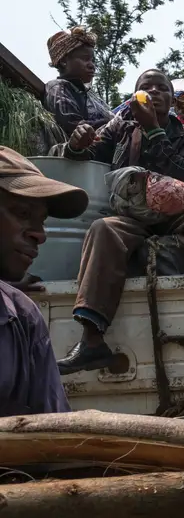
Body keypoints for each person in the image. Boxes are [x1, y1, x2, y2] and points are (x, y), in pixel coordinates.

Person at [56, 69, 184, 375]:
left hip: (178, 215)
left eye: (162, 88)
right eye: (146, 87)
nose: (154, 92)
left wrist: (154, 130)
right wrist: (76, 143)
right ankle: (92, 340)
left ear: (173, 100)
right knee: (103, 228)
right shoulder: (118, 129)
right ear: (134, 96)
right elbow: (85, 156)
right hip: (132, 216)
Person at [0, 147, 86, 415]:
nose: (40, 235)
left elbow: (53, 438)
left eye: (41, 221)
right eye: (22, 213)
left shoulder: (23, 318)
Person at [44, 27, 114, 140]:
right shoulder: (58, 88)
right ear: (63, 61)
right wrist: (111, 123)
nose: (92, 65)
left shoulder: (87, 94)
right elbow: (73, 126)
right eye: (85, 59)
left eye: (93, 60)